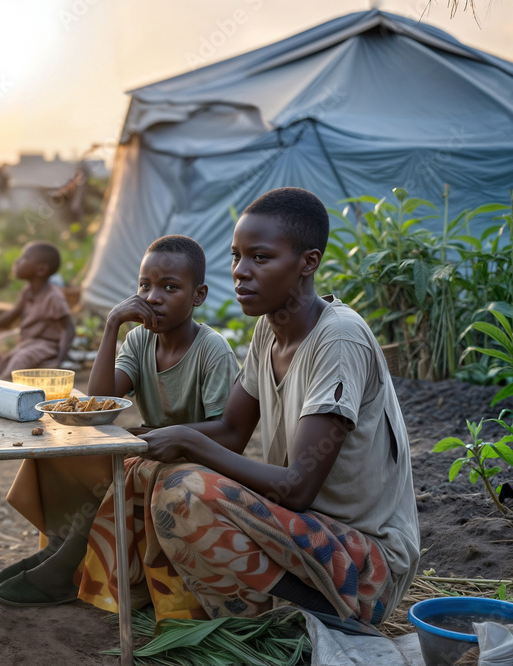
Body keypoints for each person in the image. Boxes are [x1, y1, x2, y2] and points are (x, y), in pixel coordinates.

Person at [142, 187, 419, 626]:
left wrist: (187, 439)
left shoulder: (338, 339)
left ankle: (299, 618)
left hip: (365, 569)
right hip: (303, 534)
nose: (240, 272)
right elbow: (233, 431)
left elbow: (297, 487)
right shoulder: (270, 332)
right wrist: (139, 439)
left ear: (308, 262)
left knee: (184, 492)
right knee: (141, 469)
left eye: (260, 258)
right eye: (236, 257)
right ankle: (167, 604)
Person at [0, 236, 239, 612]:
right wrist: (112, 326)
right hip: (149, 446)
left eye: (170, 287)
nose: (153, 297)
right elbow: (99, 400)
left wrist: (159, 437)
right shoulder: (139, 340)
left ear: (198, 295)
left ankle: (66, 572)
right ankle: (61, 548)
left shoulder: (212, 349)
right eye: (145, 286)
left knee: (123, 473)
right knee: (63, 451)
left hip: (193, 459)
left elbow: (224, 430)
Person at [0, 241, 74, 379]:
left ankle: (0, 385)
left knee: (19, 360)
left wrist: (59, 359)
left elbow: (69, 328)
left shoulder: (53, 297)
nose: (17, 261)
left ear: (41, 270)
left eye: (24, 258)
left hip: (46, 345)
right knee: (0, 358)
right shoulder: (27, 291)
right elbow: (12, 315)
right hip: (27, 343)